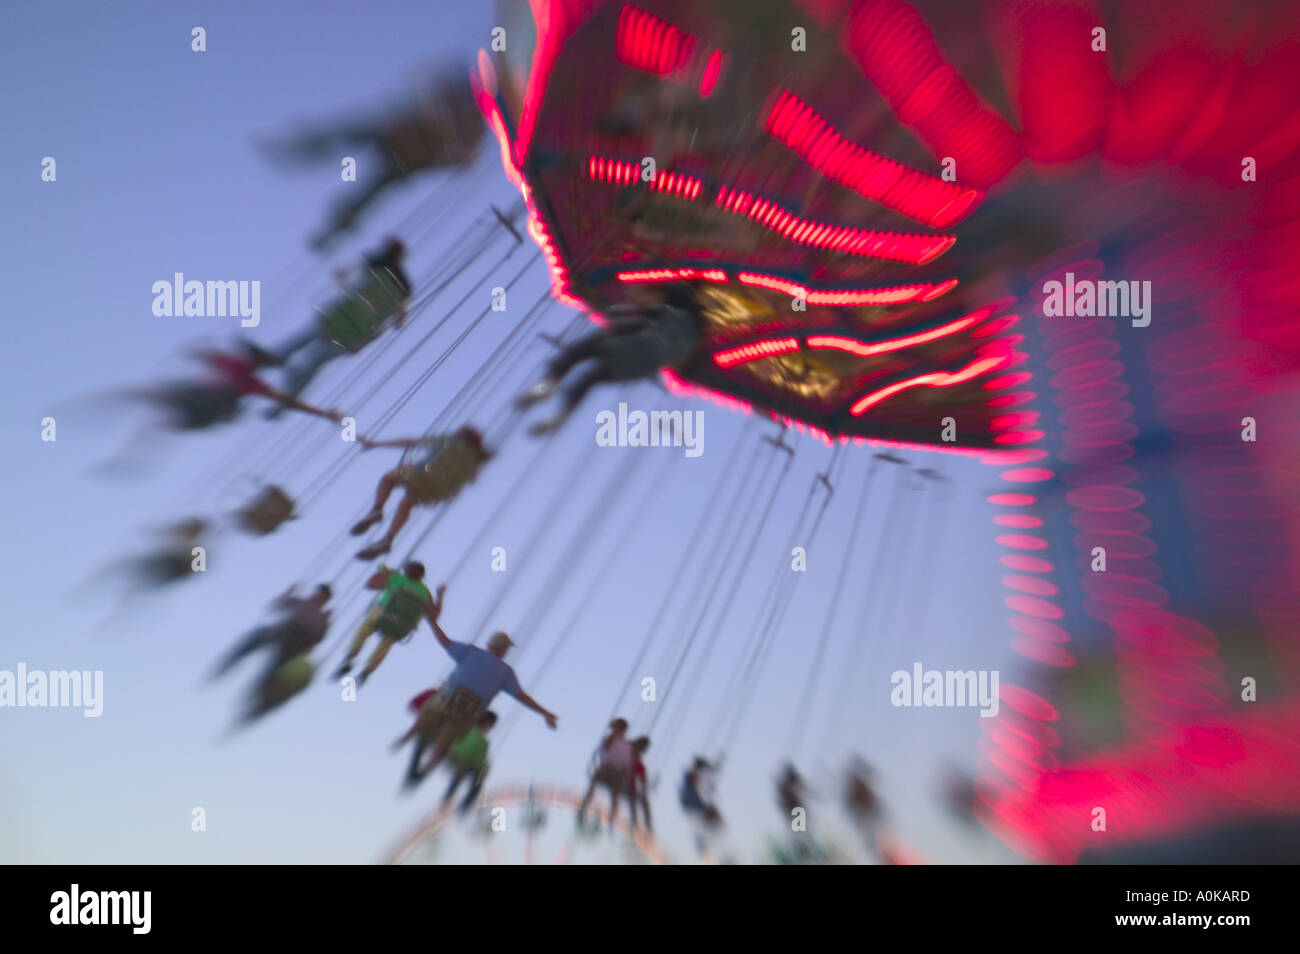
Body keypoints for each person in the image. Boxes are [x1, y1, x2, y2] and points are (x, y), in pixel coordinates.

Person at [262, 67, 485, 250]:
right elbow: (428, 87)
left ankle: (335, 225)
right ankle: (303, 149)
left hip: (405, 153)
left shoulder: (472, 128)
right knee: (351, 143)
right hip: (400, 141)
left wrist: (450, 158)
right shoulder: (460, 103)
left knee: (368, 186)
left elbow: (464, 160)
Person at [406, 595, 557, 787]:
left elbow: (444, 641)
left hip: (446, 700)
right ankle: (422, 772)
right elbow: (521, 697)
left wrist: (432, 622)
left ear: (490, 645)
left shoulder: (470, 652)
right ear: (502, 649)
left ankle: (415, 762)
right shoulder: (506, 673)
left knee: (427, 725)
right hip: (466, 714)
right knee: (445, 744)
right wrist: (545, 713)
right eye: (506, 648)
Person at [259, 238, 412, 417]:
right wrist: (363, 343)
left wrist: (344, 278)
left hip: (340, 316)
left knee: (305, 338)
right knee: (314, 363)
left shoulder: (374, 262)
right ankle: (285, 401)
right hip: (355, 333)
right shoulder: (404, 288)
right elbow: (399, 322)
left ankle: (273, 358)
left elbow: (342, 272)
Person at [516, 295, 704, 435]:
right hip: (638, 367)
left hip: (627, 345)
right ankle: (560, 416)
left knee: (575, 354)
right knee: (589, 378)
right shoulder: (691, 342)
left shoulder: (671, 312)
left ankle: (545, 387)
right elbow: (682, 364)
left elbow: (642, 311)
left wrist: (618, 311)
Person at [351, 427, 493, 560]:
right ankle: (388, 539)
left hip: (422, 476)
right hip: (438, 491)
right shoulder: (474, 459)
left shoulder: (451, 441)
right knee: (407, 503)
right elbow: (472, 480)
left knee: (388, 479)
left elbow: (411, 442)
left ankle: (377, 509)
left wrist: (377, 443)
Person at [131, 344, 343, 431]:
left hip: (208, 407)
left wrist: (323, 413)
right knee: (156, 399)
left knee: (164, 412)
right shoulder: (237, 366)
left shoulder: (253, 382)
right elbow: (207, 356)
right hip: (201, 398)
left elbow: (288, 401)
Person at [333, 562, 440, 685]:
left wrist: (382, 574)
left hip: (381, 614)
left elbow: (370, 585)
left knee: (364, 630)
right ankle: (367, 671)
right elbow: (433, 615)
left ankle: (351, 654)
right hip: (400, 625)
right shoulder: (425, 593)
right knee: (386, 644)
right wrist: (440, 597)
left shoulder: (396, 577)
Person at [212, 583, 333, 681]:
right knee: (254, 639)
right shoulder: (301, 603)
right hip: (278, 633)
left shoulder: (321, 617)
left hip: (290, 644)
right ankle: (224, 666)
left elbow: (315, 642)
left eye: (320, 594)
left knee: (273, 670)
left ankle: (258, 692)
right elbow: (275, 606)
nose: (316, 595)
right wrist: (287, 594)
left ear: (325, 599)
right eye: (317, 592)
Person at [578, 718, 632, 827]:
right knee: (602, 788)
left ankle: (610, 816)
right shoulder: (611, 741)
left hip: (614, 774)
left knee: (614, 793)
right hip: (607, 771)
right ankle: (585, 807)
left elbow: (626, 764)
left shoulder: (625, 745)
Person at [440, 710, 497, 812]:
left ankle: (446, 801)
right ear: (489, 724)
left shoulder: (468, 729)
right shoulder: (482, 741)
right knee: (476, 778)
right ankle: (464, 806)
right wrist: (484, 768)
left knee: (458, 778)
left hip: (456, 759)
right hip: (462, 762)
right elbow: (479, 762)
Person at [626, 736, 653, 832]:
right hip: (623, 782)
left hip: (630, 785)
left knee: (644, 803)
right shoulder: (628, 750)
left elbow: (642, 779)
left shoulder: (638, 762)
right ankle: (634, 824)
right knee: (634, 799)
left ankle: (647, 827)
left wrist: (644, 793)